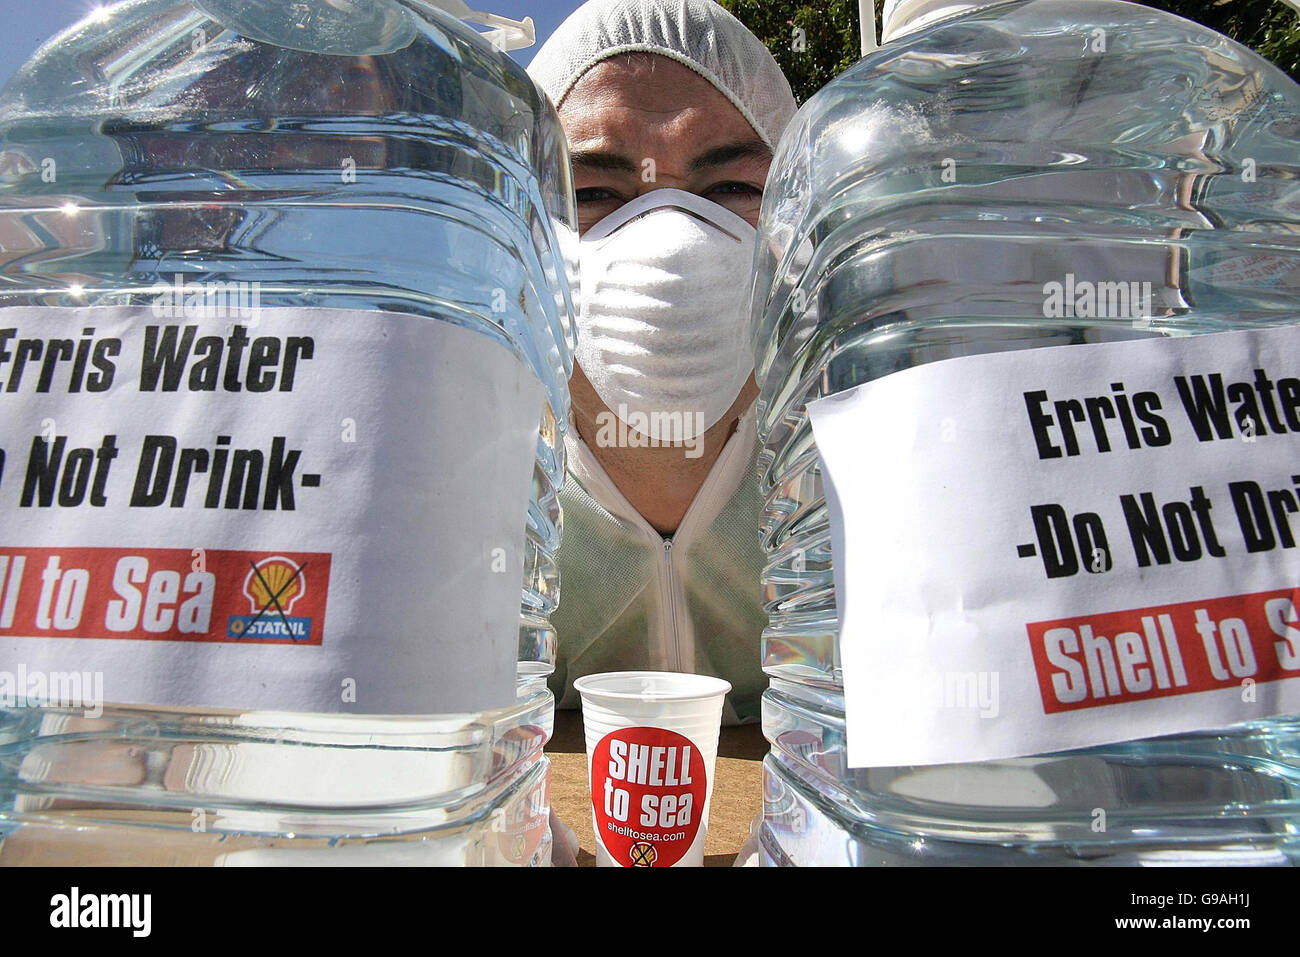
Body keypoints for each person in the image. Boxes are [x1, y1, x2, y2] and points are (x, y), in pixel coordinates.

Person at [528, 0, 797, 727]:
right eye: (594, 195)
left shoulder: (846, 475)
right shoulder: (478, 485)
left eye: (731, 190)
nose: (669, 240)